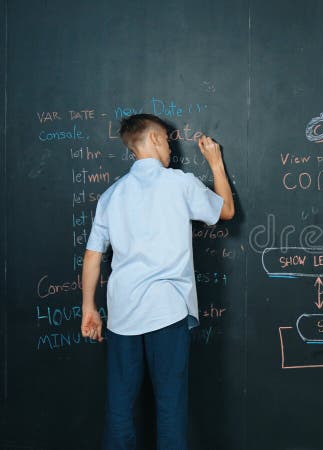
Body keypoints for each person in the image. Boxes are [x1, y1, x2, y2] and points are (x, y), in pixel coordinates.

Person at [80, 114, 234, 450]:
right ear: (151, 140)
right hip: (167, 312)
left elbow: (93, 255)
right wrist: (216, 163)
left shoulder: (111, 195)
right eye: (165, 139)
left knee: (119, 408)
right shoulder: (178, 183)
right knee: (170, 408)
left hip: (122, 315)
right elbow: (226, 211)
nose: (169, 147)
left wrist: (88, 308)